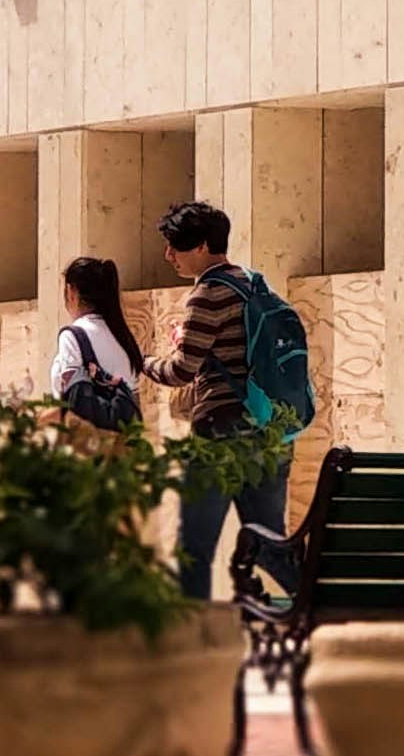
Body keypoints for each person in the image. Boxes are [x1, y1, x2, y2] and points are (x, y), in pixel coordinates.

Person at [141, 198, 286, 598]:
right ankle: (327, 611)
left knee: (195, 548)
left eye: (177, 246)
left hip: (221, 432)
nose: (169, 255)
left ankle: (194, 641)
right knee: (272, 545)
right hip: (270, 431)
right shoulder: (252, 285)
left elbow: (183, 370)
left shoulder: (206, 294)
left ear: (203, 245)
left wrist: (145, 361)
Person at [49, 256, 143, 433]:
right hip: (122, 447)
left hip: (89, 446)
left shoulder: (73, 336)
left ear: (70, 292)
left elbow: (70, 403)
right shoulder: (124, 338)